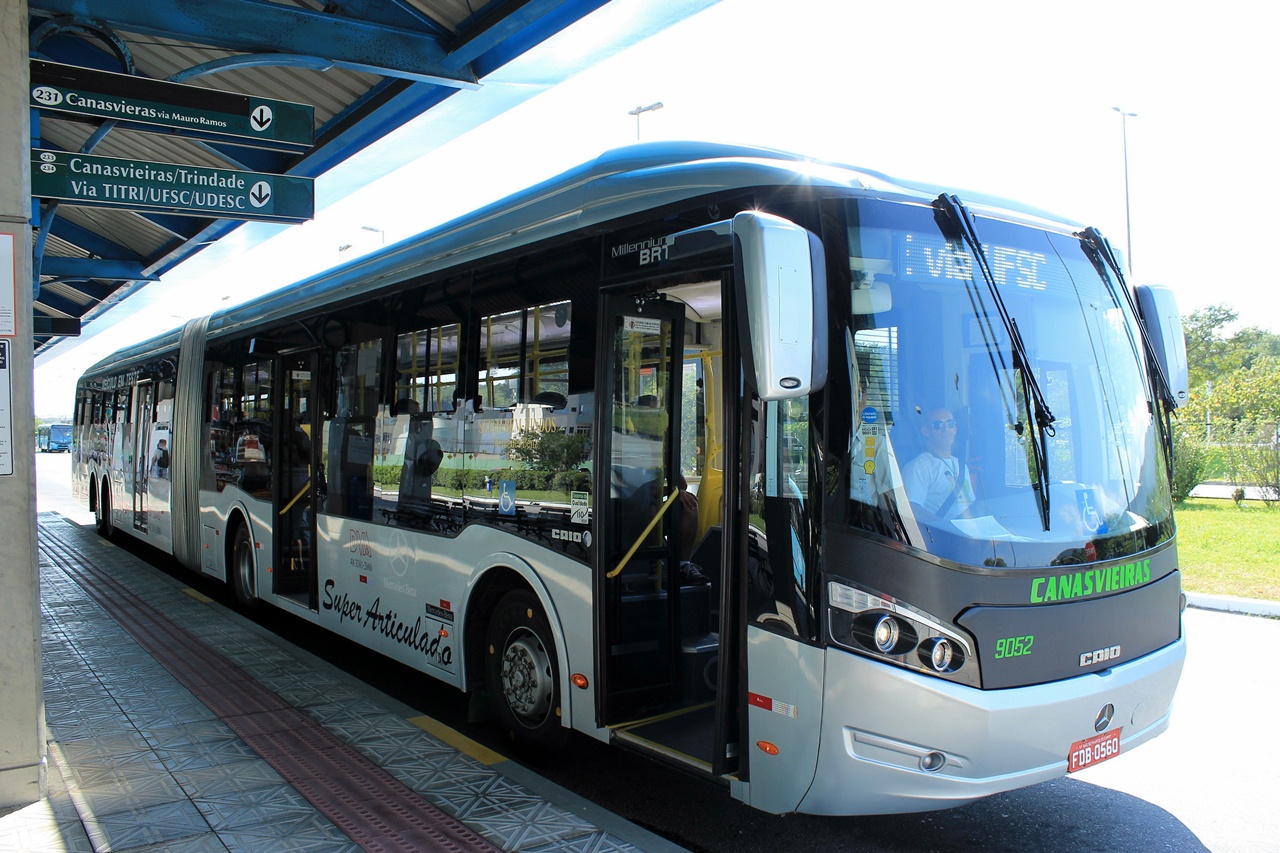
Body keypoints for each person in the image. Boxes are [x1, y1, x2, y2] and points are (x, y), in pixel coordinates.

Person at [902, 407, 974, 517]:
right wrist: (944, 527)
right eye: (938, 424)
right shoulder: (918, 467)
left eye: (950, 424)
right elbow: (912, 510)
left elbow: (969, 505)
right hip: (940, 533)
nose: (945, 429)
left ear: (955, 429)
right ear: (925, 431)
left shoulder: (961, 464)